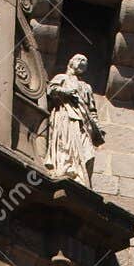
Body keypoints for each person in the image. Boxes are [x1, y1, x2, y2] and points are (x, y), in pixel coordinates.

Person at [44, 54, 103, 185]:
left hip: (84, 122)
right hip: (66, 116)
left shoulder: (87, 87)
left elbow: (92, 110)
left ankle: (82, 177)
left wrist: (98, 127)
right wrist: (67, 92)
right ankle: (67, 170)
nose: (83, 63)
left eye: (85, 62)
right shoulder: (62, 78)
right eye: (80, 60)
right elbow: (50, 90)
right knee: (66, 144)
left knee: (89, 154)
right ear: (71, 63)